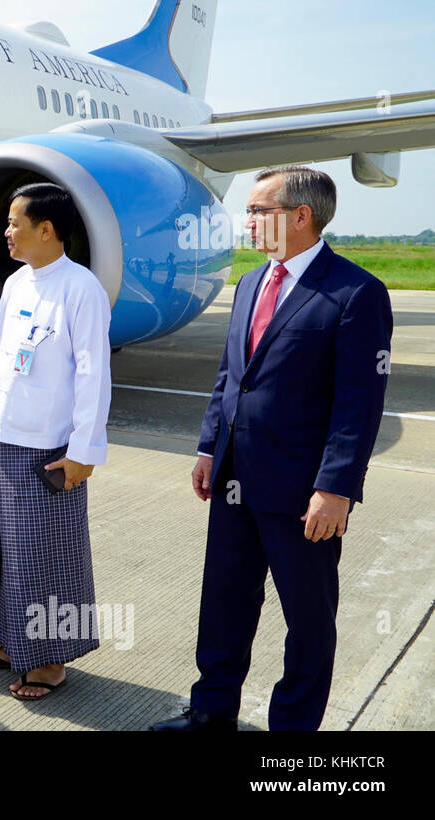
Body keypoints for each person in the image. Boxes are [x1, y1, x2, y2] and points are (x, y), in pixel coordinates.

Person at [152, 167, 392, 731]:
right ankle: (212, 712)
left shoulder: (355, 293)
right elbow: (229, 377)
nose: (249, 221)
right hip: (235, 476)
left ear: (301, 216)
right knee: (225, 604)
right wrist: (211, 448)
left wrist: (335, 488)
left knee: (307, 620)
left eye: (260, 210)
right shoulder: (250, 283)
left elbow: (358, 406)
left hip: (303, 492)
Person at [0, 183, 112, 700]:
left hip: (54, 446)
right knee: (11, 548)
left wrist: (84, 450)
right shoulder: (16, 285)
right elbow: (1, 359)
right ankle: (10, 642)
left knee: (49, 552)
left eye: (14, 224)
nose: (6, 232)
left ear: (45, 230)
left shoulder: (81, 288)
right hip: (13, 437)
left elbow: (95, 373)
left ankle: (48, 660)